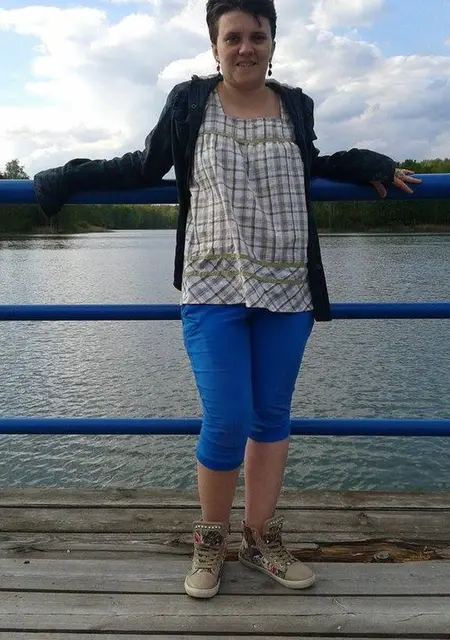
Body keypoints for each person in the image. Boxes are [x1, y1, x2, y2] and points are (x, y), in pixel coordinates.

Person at [34, 0, 421, 600]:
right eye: (233, 37)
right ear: (214, 47)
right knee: (227, 418)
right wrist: (68, 176)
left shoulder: (295, 104)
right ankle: (210, 540)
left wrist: (370, 164)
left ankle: (259, 537)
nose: (246, 47)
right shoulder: (191, 102)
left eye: (257, 36)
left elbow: (311, 163)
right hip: (213, 284)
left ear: (273, 44)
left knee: (270, 417)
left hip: (288, 285)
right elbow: (144, 165)